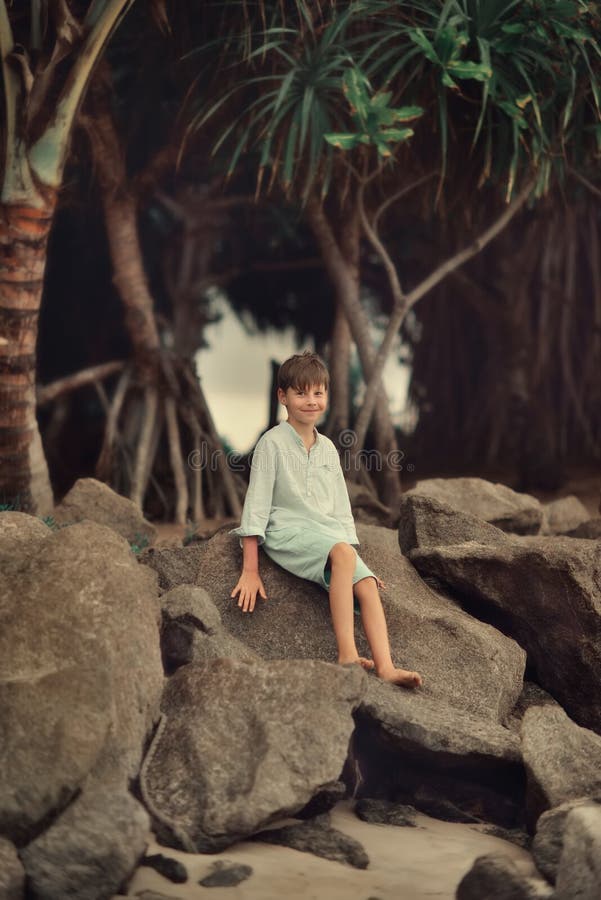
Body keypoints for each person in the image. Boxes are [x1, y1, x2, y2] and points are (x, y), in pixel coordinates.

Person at [230, 351, 422, 688]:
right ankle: (347, 654)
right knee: (344, 555)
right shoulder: (271, 445)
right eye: (301, 393)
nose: (310, 401)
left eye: (318, 393)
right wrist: (250, 568)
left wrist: (353, 561)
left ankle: (386, 667)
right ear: (283, 397)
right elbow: (256, 506)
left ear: (327, 397)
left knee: (366, 584)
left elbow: (340, 509)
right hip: (286, 531)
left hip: (325, 535)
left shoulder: (328, 449)